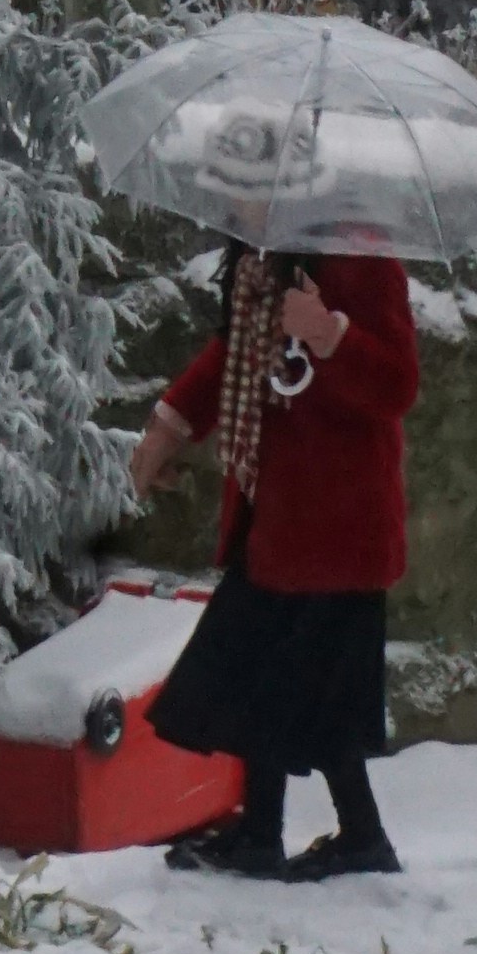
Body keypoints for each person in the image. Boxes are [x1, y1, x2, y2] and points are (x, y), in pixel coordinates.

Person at [125, 241, 419, 882]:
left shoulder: (363, 265)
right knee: (269, 673)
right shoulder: (265, 267)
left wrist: (328, 332)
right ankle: (272, 835)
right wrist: (169, 426)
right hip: (278, 517)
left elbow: (396, 385)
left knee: (314, 685)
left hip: (339, 524)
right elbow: (233, 356)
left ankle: (344, 838)